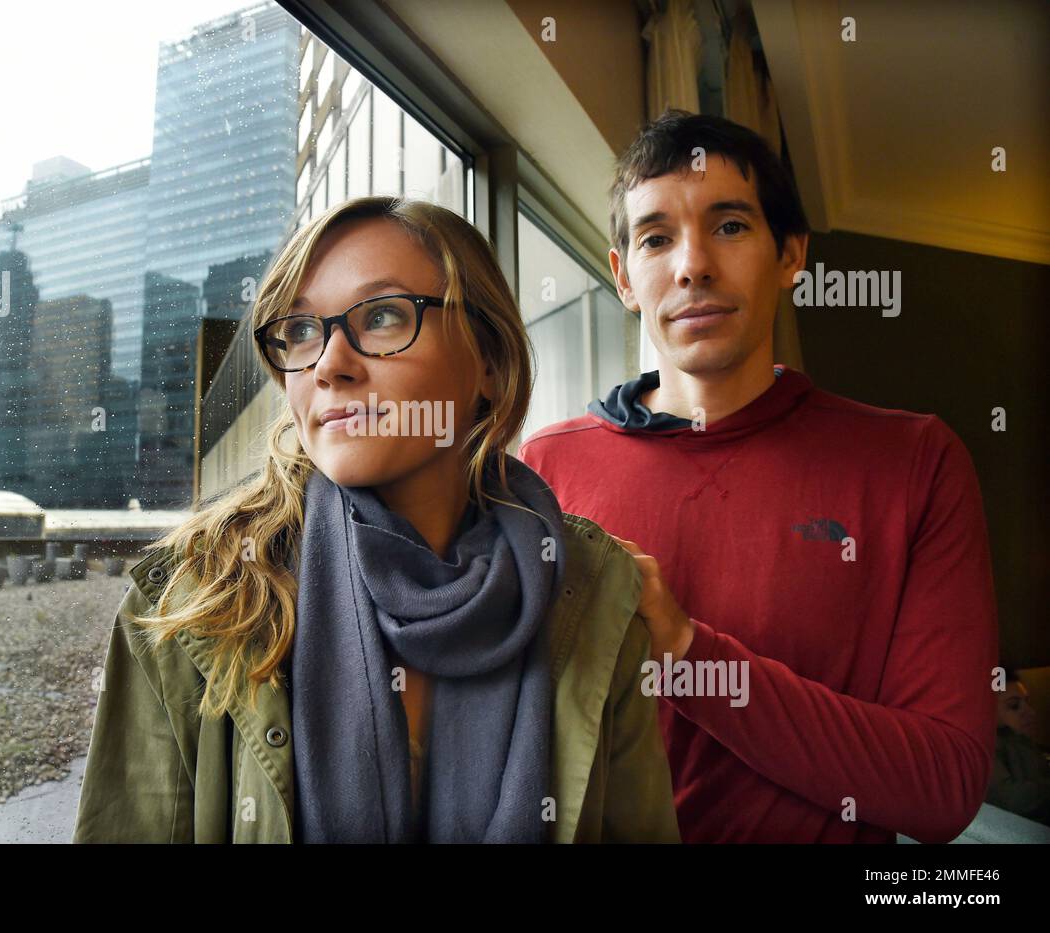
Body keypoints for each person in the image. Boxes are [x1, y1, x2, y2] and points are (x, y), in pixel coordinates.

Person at [72, 195, 680, 844]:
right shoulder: (192, 597)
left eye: (384, 315)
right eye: (301, 331)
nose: (329, 364)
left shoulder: (592, 593)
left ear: (491, 364)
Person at [519, 110, 999, 843]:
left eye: (731, 226)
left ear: (791, 254)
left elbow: (943, 786)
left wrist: (686, 650)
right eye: (655, 238)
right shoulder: (545, 466)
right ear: (622, 277)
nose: (692, 265)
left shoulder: (915, 462)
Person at [986, 671, 1050, 825]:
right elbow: (1010, 799)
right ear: (986, 711)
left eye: (1028, 703)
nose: (1030, 712)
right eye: (1014, 706)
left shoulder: (1025, 743)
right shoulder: (988, 747)